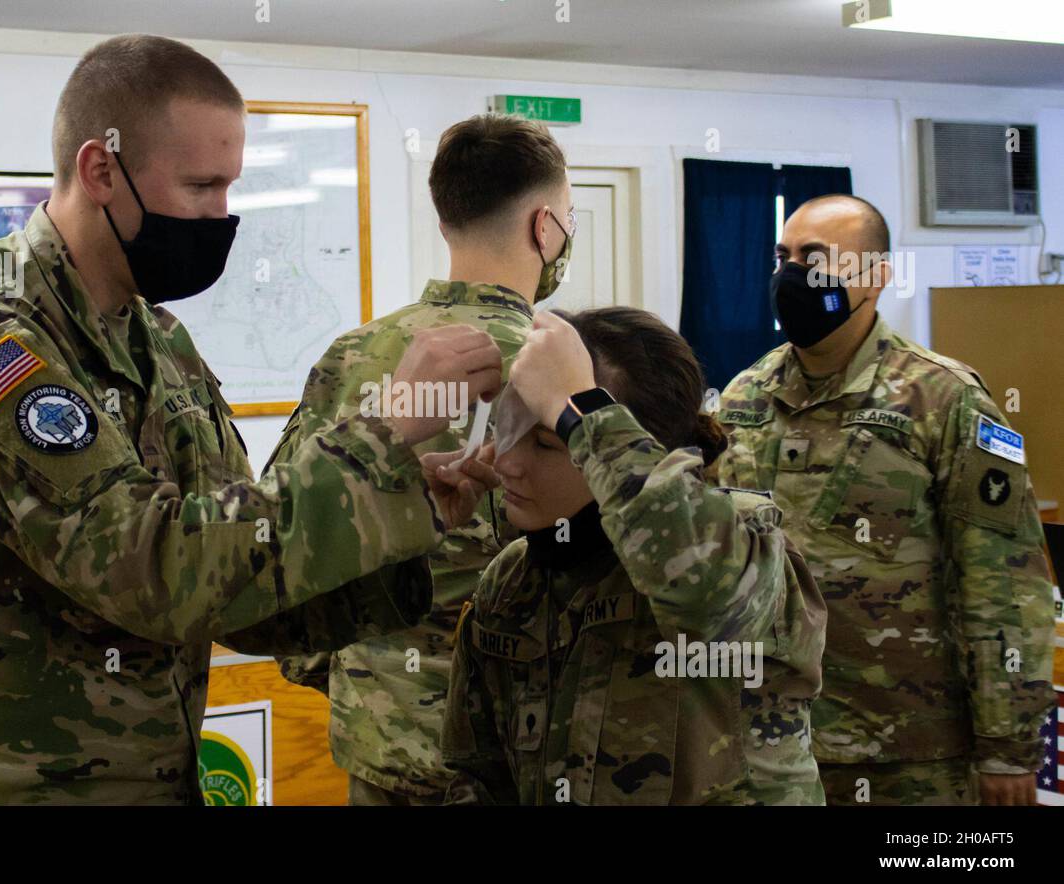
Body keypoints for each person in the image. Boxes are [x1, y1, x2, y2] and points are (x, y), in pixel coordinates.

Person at [0, 34, 500, 805]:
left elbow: (231, 581)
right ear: (102, 170)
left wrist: (406, 507)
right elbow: (152, 570)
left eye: (229, 187)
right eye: (201, 186)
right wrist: (381, 433)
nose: (221, 216)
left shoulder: (160, 344)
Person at [271, 113, 574, 805]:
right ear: (545, 227)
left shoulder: (352, 356)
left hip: (377, 743)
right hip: (520, 752)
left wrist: (360, 680)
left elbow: (285, 538)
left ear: (446, 223)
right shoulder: (565, 366)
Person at [714, 194, 1055, 806]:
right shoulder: (745, 396)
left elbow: (1001, 582)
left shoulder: (945, 400)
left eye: (813, 258)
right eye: (781, 257)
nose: (790, 274)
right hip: (769, 741)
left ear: (876, 276)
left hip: (910, 751)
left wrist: (1006, 746)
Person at [441, 308, 826, 805]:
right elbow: (479, 777)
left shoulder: (744, 539)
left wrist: (581, 408)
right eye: (510, 431)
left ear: (643, 446)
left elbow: (698, 590)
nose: (508, 462)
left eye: (546, 442)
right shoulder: (515, 577)